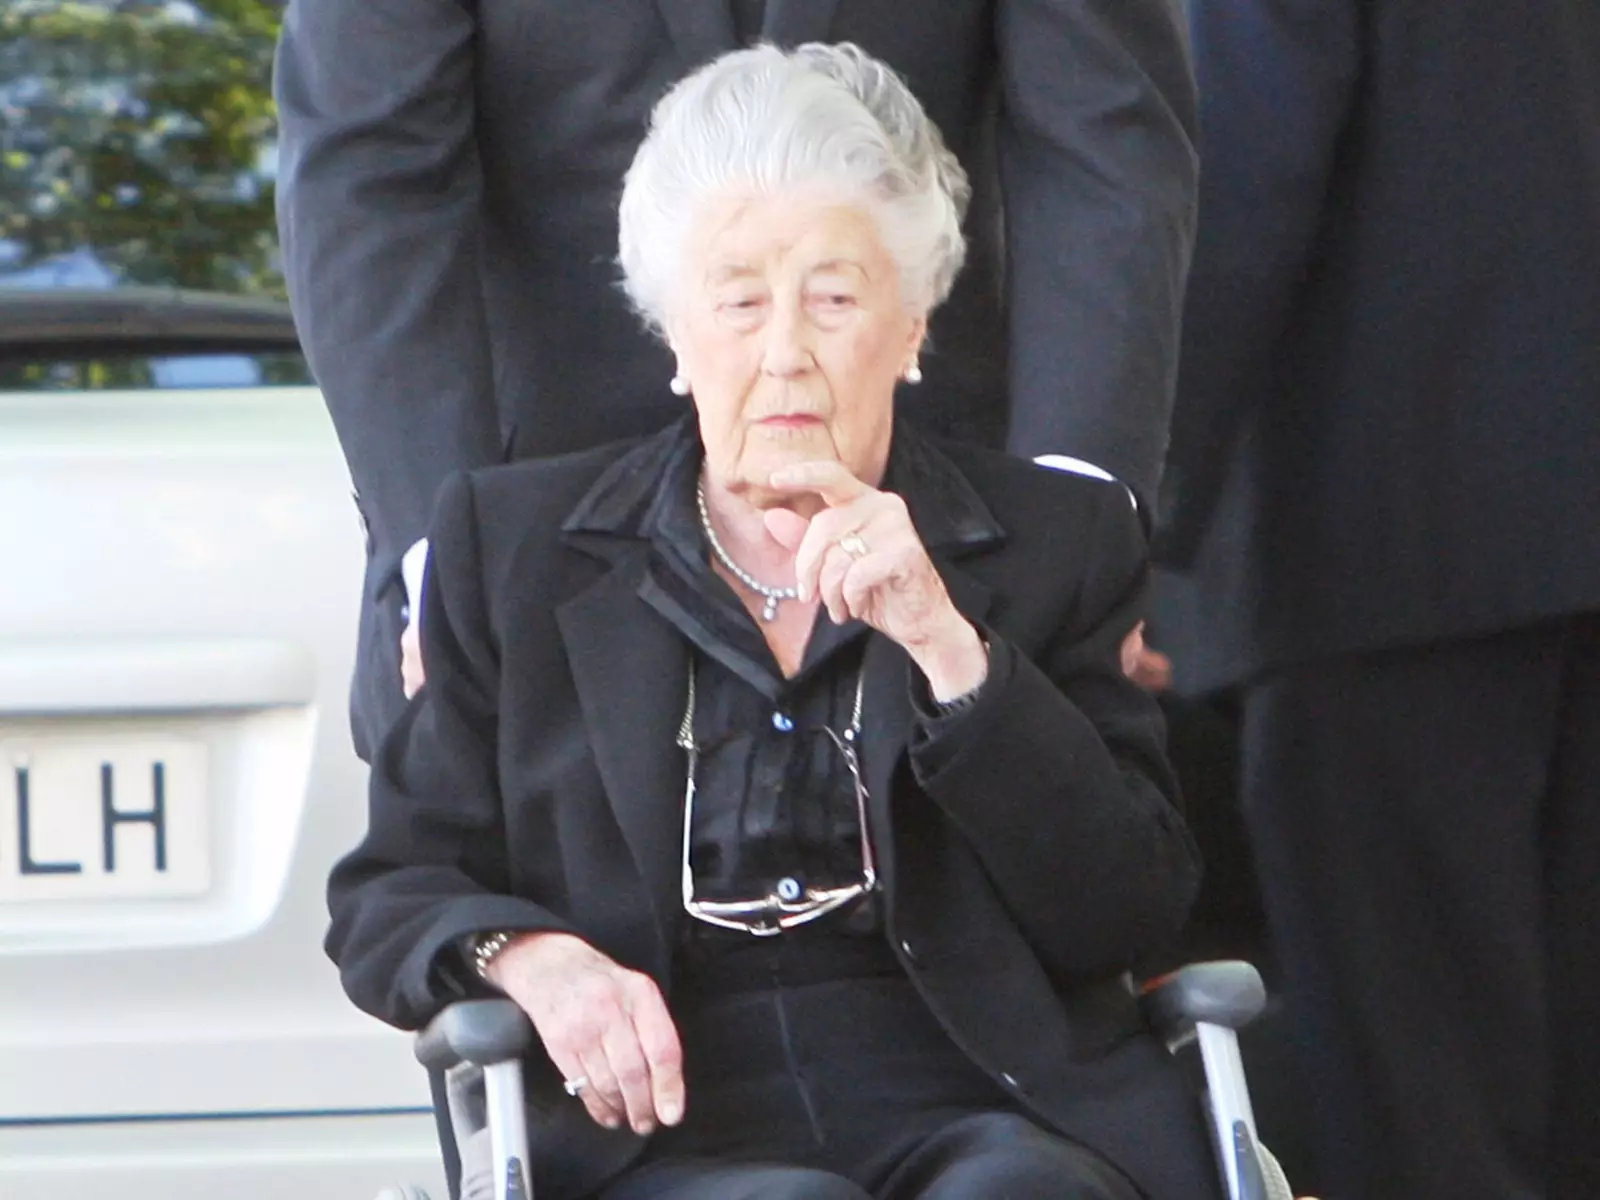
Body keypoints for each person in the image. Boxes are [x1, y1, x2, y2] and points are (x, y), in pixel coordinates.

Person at [326, 45, 1217, 1200]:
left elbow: (1125, 910)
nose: (784, 348)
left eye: (835, 298)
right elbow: (392, 891)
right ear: (677, 343)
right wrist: (531, 960)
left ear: (909, 334)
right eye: (738, 301)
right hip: (657, 1125)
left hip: (984, 1091)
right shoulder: (517, 550)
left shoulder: (1056, 541)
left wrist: (950, 648)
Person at [271, 0, 1200, 761]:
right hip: (541, 564)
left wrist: (1083, 535)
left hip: (938, 546)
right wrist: (451, 561)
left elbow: (1104, 145)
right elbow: (368, 178)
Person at [1156, 0, 1600, 1195]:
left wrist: (1132, 527)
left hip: (1383, 552)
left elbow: (1244, 183)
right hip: (1552, 539)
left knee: (1422, 1098)